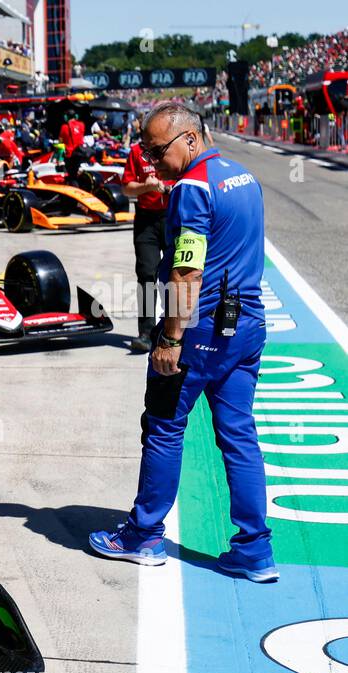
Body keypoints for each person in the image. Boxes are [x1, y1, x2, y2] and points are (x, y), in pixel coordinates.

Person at [89, 102, 276, 582]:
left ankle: (143, 535)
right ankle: (255, 550)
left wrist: (170, 337)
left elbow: (187, 271)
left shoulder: (193, 187)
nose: (151, 162)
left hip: (198, 332)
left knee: (164, 428)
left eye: (157, 151)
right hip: (246, 326)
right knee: (239, 434)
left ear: (190, 138)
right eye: (146, 153)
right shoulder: (243, 177)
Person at [120, 132, 174, 353]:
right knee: (146, 274)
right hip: (146, 220)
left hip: (172, 216)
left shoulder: (173, 148)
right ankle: (146, 332)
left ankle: (176, 331)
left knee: (176, 274)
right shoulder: (136, 152)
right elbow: (126, 188)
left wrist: (168, 189)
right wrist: (147, 186)